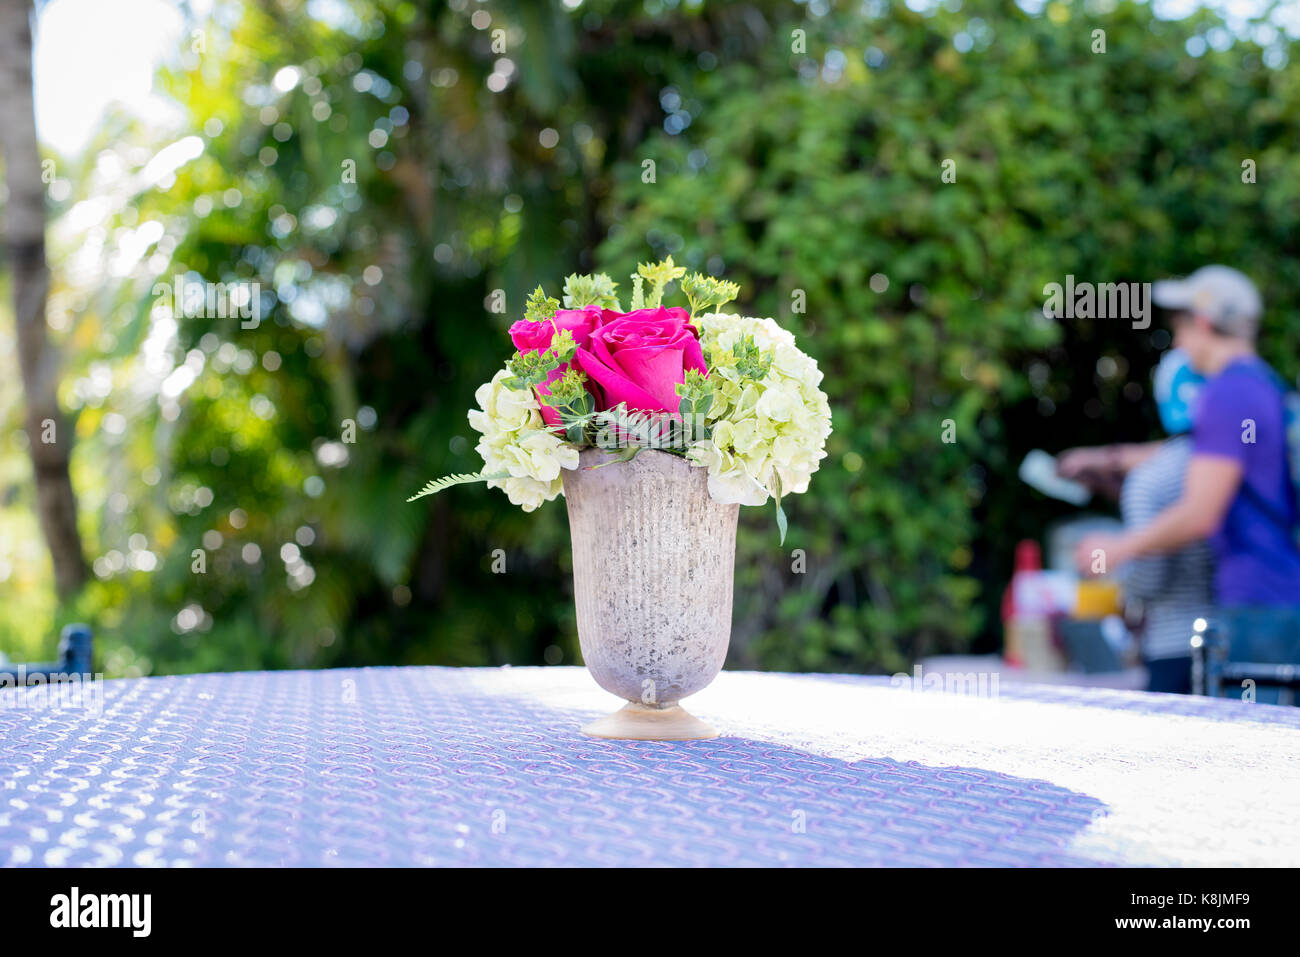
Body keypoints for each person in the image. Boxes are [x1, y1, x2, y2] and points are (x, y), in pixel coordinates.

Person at [1074, 266, 1300, 616]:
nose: (1178, 342)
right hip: (1280, 590)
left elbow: (1199, 514)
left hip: (1257, 599)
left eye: (1181, 327)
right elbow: (1192, 456)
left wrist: (1115, 549)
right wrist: (1105, 460)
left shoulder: (1226, 394)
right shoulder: (1264, 386)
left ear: (1204, 323)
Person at [1059, 351, 1214, 692]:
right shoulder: (1229, 472)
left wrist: (1113, 567)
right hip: (1228, 640)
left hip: (1173, 646)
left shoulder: (1149, 479)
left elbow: (1149, 579)